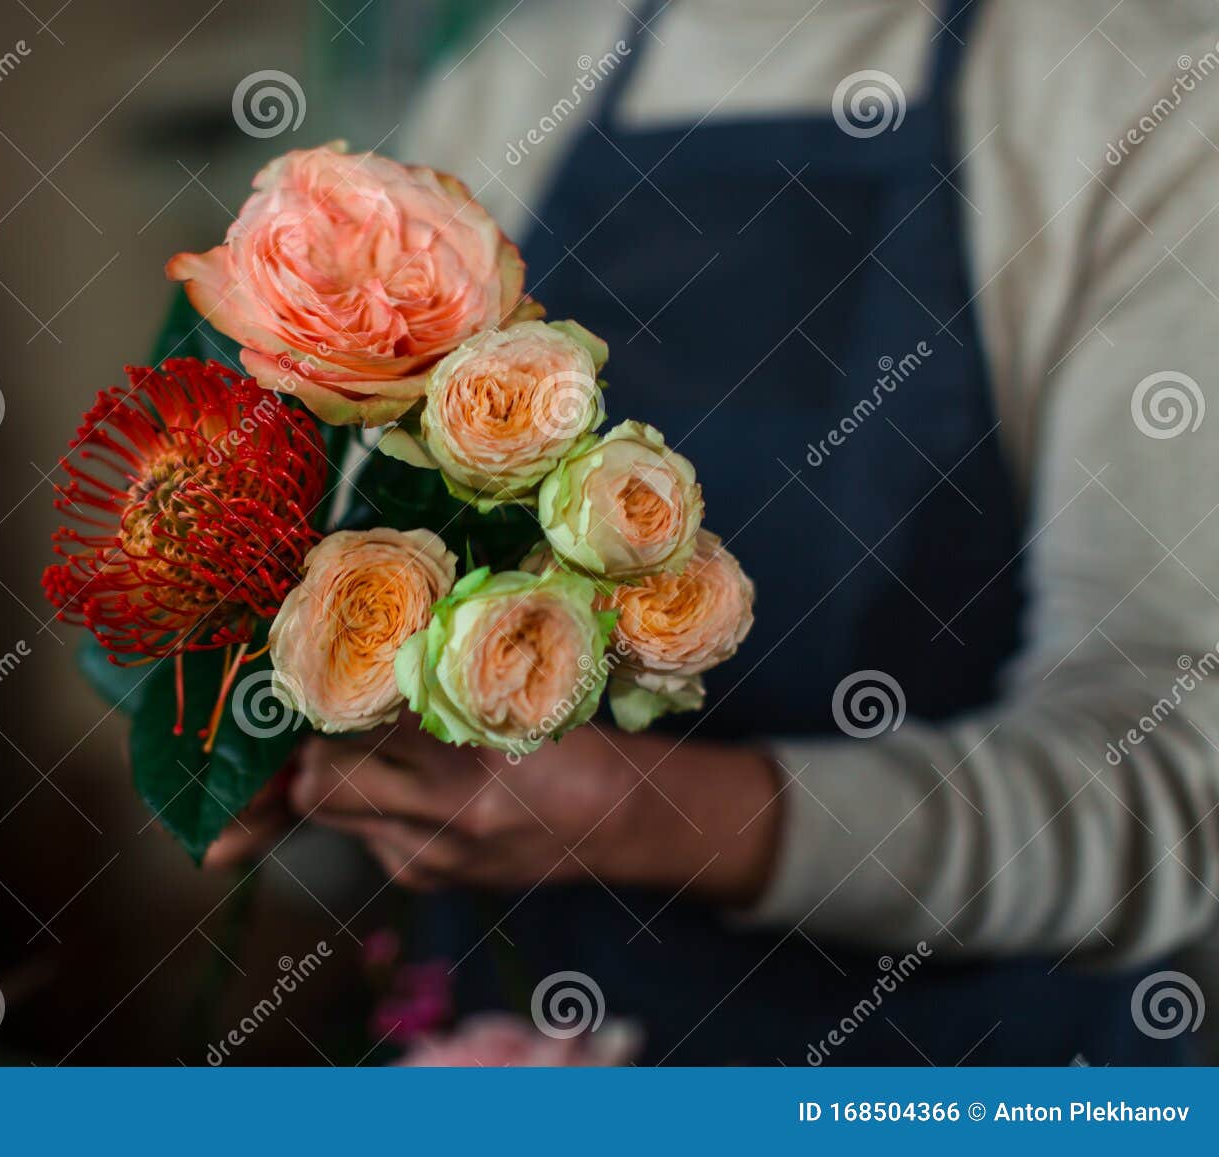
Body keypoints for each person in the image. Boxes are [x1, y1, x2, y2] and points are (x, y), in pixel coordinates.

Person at [208, 0, 1219, 1064]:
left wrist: (660, 816)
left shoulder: (1138, 90)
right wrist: (280, 742)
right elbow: (348, 569)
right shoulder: (510, 85)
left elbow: (1177, 787)